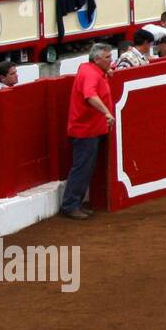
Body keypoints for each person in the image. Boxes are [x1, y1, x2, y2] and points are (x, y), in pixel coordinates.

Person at [60, 43, 115, 220]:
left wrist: (108, 71)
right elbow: (90, 96)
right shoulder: (91, 74)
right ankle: (70, 205)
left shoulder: (91, 70)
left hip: (91, 128)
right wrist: (106, 112)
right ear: (97, 59)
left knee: (86, 167)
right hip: (85, 130)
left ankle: (74, 203)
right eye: (107, 58)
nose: (111, 61)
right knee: (82, 168)